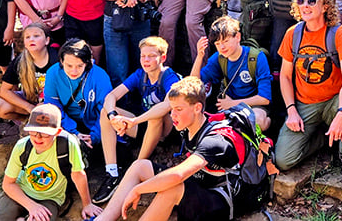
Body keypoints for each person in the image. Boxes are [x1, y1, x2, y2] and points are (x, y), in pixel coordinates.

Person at [93, 76, 241, 221]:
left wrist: (138, 189)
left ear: (197, 108)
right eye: (172, 109)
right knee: (140, 166)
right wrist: (134, 121)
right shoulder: (189, 123)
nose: (172, 115)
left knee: (172, 187)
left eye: (178, 109)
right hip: (198, 184)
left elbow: (178, 176)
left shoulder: (214, 140)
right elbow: (159, 110)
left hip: (220, 200)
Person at [276, 0, 342, 178]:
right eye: (301, 0)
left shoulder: (340, 34)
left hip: (334, 100)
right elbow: (285, 77)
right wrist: (291, 110)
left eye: (312, 0)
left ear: (325, 6)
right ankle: (323, 140)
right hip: (305, 104)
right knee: (283, 159)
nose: (305, 5)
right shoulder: (293, 34)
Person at [0, 103, 103, 221]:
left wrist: (87, 204)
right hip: (21, 192)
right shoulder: (22, 146)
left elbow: (78, 175)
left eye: (44, 133)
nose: (38, 137)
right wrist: (31, 206)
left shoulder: (68, 144)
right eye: (33, 132)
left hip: (50, 199)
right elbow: (8, 184)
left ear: (57, 132)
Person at [93, 36, 180, 205]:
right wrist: (113, 117)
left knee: (156, 116)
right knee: (105, 111)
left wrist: (135, 121)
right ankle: (112, 172)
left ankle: (135, 168)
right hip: (142, 125)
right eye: (143, 56)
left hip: (164, 131)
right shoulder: (140, 74)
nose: (146, 60)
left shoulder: (170, 77)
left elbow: (167, 106)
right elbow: (111, 96)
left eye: (151, 56)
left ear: (162, 58)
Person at [192, 16, 272, 131]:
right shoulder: (219, 58)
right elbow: (193, 84)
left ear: (237, 37)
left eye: (226, 41)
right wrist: (200, 56)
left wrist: (233, 103)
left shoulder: (256, 57)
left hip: (254, 104)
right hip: (228, 103)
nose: (222, 47)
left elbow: (264, 98)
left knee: (257, 121)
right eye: (218, 43)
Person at [44, 39, 112, 150]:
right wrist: (73, 133)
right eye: (69, 66)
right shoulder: (53, 73)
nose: (74, 71)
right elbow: (53, 106)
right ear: (61, 61)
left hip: (95, 123)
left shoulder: (100, 76)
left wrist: (94, 136)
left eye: (79, 66)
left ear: (87, 63)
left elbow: (105, 109)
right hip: (66, 122)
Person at [0, 22, 58, 121]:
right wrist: (29, 107)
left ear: (47, 40)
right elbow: (4, 91)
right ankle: (27, 120)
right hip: (32, 101)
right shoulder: (20, 61)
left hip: (54, 102)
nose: (32, 39)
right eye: (28, 37)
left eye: (36, 36)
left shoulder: (57, 59)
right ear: (25, 43)